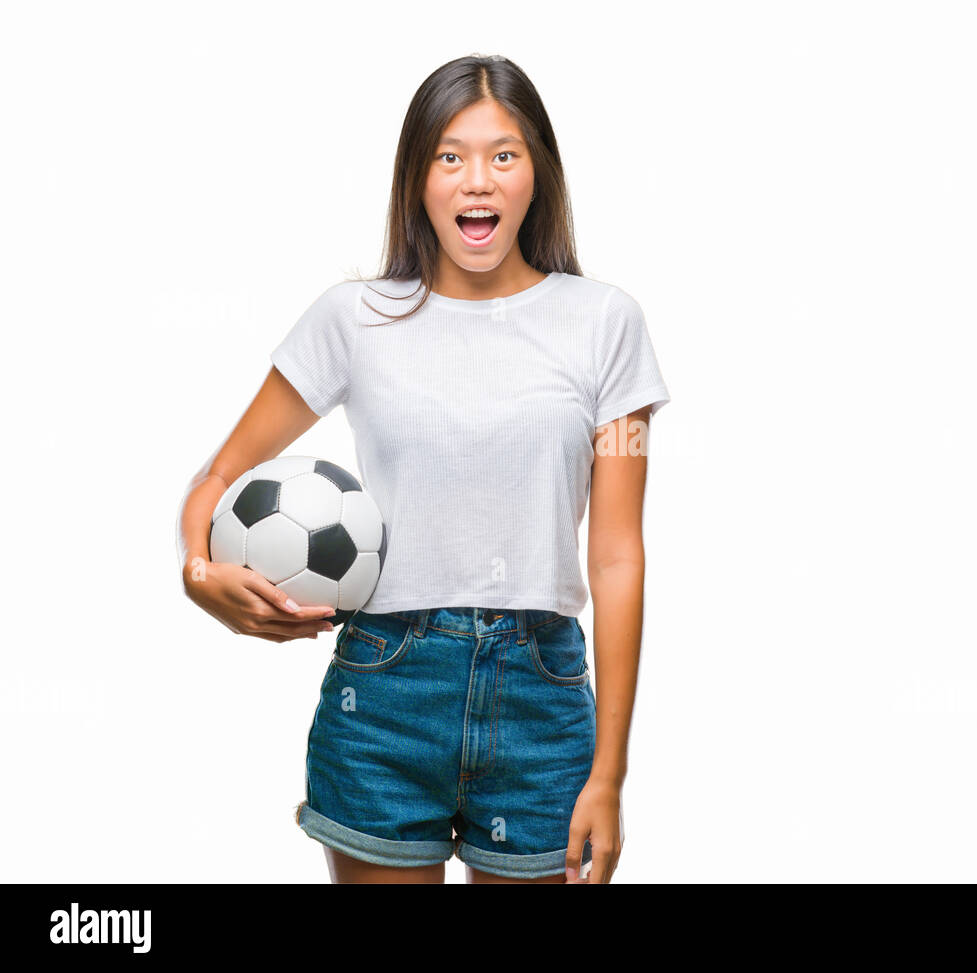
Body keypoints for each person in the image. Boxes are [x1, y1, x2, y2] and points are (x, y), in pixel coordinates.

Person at [175, 54, 669, 884]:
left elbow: (617, 555)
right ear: (417, 177)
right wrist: (199, 573)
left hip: (542, 697)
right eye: (451, 156)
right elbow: (219, 474)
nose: (478, 180)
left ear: (538, 174)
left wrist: (609, 772)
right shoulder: (355, 317)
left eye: (503, 155)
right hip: (386, 691)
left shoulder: (605, 325)